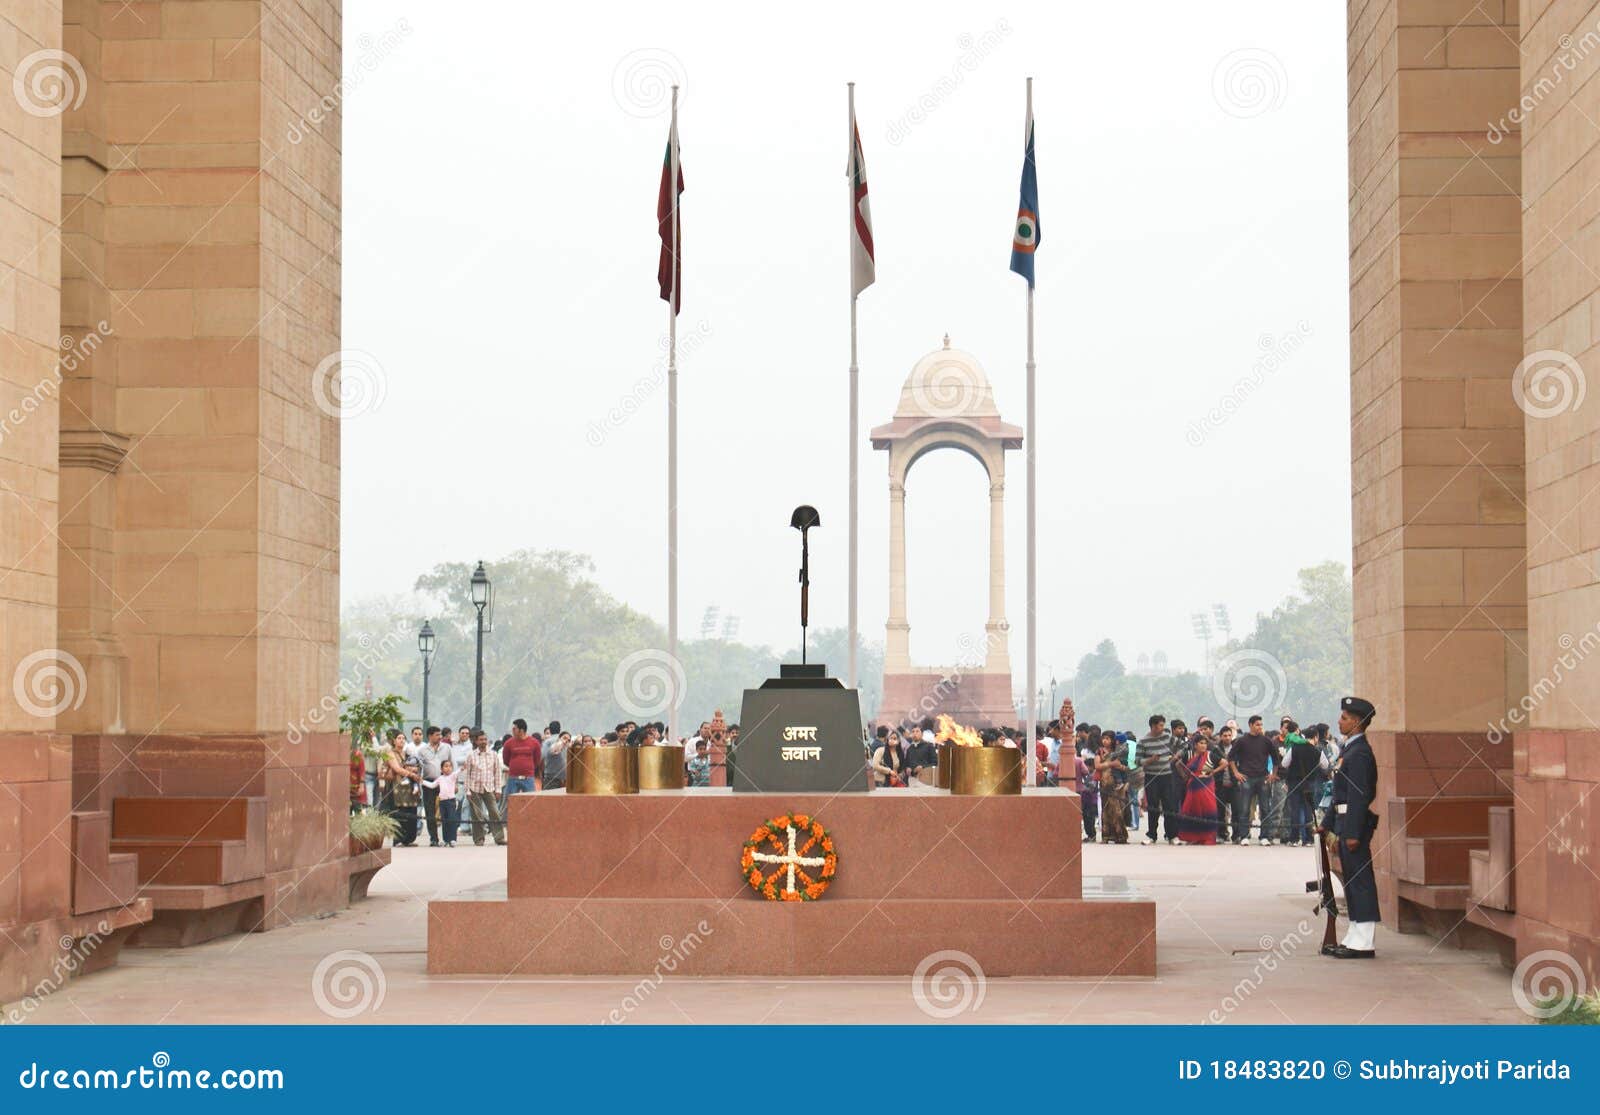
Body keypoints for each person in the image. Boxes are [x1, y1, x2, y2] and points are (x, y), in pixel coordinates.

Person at [1323, 696, 1380, 959]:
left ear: (1357, 722)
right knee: (1352, 882)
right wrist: (1326, 825)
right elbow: (1339, 796)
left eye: (1345, 718)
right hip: (1344, 822)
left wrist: (1354, 833)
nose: (1339, 721)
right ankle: (1355, 936)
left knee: (1360, 882)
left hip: (1353, 825)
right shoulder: (1349, 750)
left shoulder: (1360, 753)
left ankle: (1365, 940)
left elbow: (1359, 796)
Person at [1230, 715, 1280, 844]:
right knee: (1245, 809)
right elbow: (1231, 758)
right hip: (1246, 777)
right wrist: (1236, 773)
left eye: (1261, 725)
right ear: (1250, 725)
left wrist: (1273, 774)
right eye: (1257, 724)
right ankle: (1244, 836)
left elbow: (1276, 759)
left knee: (1265, 808)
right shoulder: (1242, 741)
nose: (1260, 727)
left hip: (1263, 777)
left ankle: (1264, 836)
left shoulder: (1266, 741)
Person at [1137, 714, 1179, 845]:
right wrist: (1150, 760)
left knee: (1170, 806)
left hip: (1167, 776)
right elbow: (1137, 761)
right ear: (1153, 726)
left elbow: (1183, 746)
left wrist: (1175, 757)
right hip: (1151, 777)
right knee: (1153, 806)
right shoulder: (1143, 741)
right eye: (1160, 725)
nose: (1162, 728)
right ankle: (1151, 835)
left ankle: (1172, 835)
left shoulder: (1167, 738)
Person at [460, 729, 506, 846]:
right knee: (477, 814)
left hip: (489, 787)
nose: (483, 742)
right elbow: (467, 774)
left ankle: (499, 838)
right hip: (474, 788)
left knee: (495, 812)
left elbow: (497, 773)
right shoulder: (471, 755)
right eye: (481, 740)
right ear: (476, 741)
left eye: (485, 739)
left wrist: (498, 789)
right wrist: (467, 790)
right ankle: (479, 838)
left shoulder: (493, 754)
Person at [1279, 729, 1322, 847]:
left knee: (1295, 809)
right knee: (1308, 809)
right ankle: (1308, 839)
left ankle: (1294, 838)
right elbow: (1325, 765)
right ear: (1316, 736)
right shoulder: (1316, 750)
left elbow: (1284, 763)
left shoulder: (1294, 748)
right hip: (1310, 783)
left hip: (1294, 783)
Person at [1175, 735, 1219, 844]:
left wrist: (1212, 773)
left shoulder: (1210, 755)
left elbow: (1224, 763)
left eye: (1205, 743)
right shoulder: (1189, 754)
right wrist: (1185, 776)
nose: (1203, 745)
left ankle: (1207, 836)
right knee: (1192, 810)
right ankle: (1192, 837)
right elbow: (1177, 764)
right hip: (1192, 786)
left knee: (1208, 809)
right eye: (1201, 743)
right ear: (1195, 745)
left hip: (1207, 785)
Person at [416, 726, 453, 847]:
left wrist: (454, 783)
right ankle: (433, 838)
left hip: (445, 782)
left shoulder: (446, 748)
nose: (440, 737)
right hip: (428, 783)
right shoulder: (422, 750)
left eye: (440, 734)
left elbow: (452, 765)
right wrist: (417, 787)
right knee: (430, 811)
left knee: (446, 810)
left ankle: (448, 838)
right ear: (430, 736)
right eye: (437, 735)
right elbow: (418, 769)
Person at [1094, 732, 1130, 844]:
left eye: (1108, 738)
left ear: (1113, 740)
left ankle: (1120, 836)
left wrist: (1120, 766)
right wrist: (1111, 764)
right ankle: (1106, 836)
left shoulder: (1118, 751)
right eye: (1103, 738)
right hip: (1105, 783)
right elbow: (1097, 766)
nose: (1105, 741)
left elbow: (1126, 768)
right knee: (1106, 809)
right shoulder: (1100, 752)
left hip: (1118, 785)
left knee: (1119, 810)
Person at [502, 719, 541, 808]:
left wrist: (528, 768)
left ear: (521, 730)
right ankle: (507, 822)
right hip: (513, 777)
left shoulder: (534, 743)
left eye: (514, 729)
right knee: (509, 803)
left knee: (531, 803)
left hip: (528, 778)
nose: (512, 731)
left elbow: (537, 760)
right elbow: (506, 760)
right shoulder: (508, 743)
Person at [423, 758, 460, 847]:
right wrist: (422, 781)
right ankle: (446, 839)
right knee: (444, 821)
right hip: (442, 802)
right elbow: (432, 786)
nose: (448, 768)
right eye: (446, 766)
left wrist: (462, 768)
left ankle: (453, 839)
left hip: (451, 801)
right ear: (441, 769)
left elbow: (457, 772)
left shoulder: (452, 777)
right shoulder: (440, 778)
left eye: (450, 766)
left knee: (451, 820)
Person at [1211, 722, 1237, 842]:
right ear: (1220, 736)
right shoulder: (1215, 750)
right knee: (1220, 811)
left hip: (1234, 784)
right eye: (1225, 735)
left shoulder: (1237, 748)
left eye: (1229, 735)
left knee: (1236, 810)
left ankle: (1236, 835)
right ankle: (1221, 834)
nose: (1227, 738)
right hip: (1220, 784)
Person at [1074, 745, 1098, 841]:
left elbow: (1092, 787)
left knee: (1089, 819)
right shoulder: (1088, 776)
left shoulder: (1093, 776)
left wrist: (1082, 787)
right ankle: (1090, 835)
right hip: (1086, 800)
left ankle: (1092, 835)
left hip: (1091, 801)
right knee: (1087, 818)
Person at [543, 722, 570, 791]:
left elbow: (542, 755)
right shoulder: (567, 741)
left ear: (550, 730)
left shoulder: (547, 742)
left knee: (548, 800)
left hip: (551, 778)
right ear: (559, 729)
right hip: (565, 778)